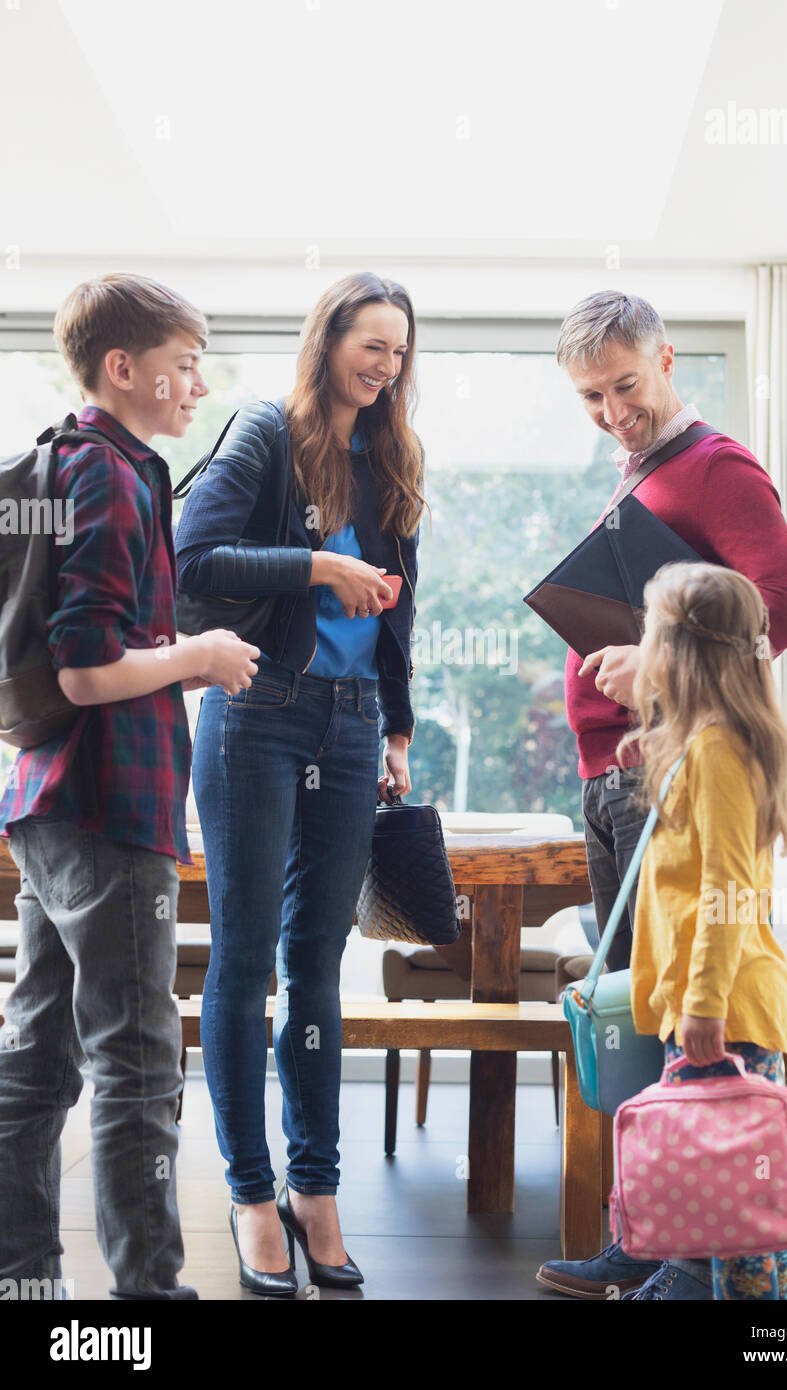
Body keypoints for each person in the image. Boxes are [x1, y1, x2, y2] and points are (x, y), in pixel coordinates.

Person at [537, 290, 787, 1300]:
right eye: (589, 397)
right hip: (623, 774)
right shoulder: (642, 469)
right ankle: (653, 1233)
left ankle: (707, 1259)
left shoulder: (715, 465)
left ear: (665, 360)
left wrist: (661, 683)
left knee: (683, 1024)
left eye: (624, 385)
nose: (612, 409)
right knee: (641, 1025)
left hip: (666, 767)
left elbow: (786, 603)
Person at [0, 272, 259, 1299]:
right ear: (124, 368)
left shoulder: (45, 463)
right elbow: (87, 669)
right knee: (139, 1064)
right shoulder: (112, 473)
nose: (197, 385)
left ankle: (22, 1281)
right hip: (114, 806)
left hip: (45, 801)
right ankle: (150, 1301)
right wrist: (198, 654)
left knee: (37, 1054)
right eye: (183, 365)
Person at [173, 272, 424, 1294]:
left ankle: (316, 1190)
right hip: (259, 708)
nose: (385, 365)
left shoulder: (395, 455)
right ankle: (250, 1192)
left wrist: (398, 723)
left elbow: (402, 606)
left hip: (354, 720)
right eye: (371, 344)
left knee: (316, 962)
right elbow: (195, 560)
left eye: (400, 352)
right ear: (327, 340)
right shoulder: (266, 434)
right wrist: (318, 567)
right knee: (242, 960)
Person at [616, 560, 787, 1299]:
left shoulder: (719, 752)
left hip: (727, 1012)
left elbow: (727, 890)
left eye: (650, 630)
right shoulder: (703, 745)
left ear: (680, 651)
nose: (643, 644)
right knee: (718, 1193)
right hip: (710, 1007)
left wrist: (702, 1005)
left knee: (744, 1218)